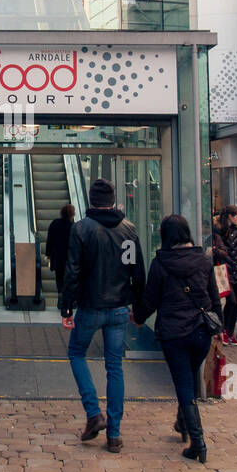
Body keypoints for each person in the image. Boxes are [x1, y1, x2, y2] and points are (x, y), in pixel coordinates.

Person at [59, 179, 146, 454]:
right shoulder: (129, 230)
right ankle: (115, 435)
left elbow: (72, 270)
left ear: (92, 200)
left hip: (90, 306)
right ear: (112, 199)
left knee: (76, 353)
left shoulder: (81, 229)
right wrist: (139, 308)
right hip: (119, 308)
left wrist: (66, 306)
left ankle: (93, 412)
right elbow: (136, 271)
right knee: (114, 367)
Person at [133, 215, 219, 463]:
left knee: (183, 384)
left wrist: (138, 317)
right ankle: (183, 422)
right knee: (190, 378)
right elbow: (213, 297)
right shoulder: (203, 261)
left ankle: (198, 441)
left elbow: (151, 299)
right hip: (201, 330)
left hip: (174, 332)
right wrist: (219, 326)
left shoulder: (160, 263)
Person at [211, 207, 237, 344]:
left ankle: (229, 331)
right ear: (229, 216)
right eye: (236, 216)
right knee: (231, 300)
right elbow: (219, 250)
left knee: (235, 302)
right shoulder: (217, 230)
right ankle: (224, 330)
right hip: (224, 269)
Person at [45, 204, 75, 292]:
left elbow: (49, 240)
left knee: (59, 279)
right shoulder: (74, 226)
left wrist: (48, 254)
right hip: (69, 259)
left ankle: (61, 297)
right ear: (72, 214)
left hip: (57, 258)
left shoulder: (55, 223)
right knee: (69, 280)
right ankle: (68, 300)